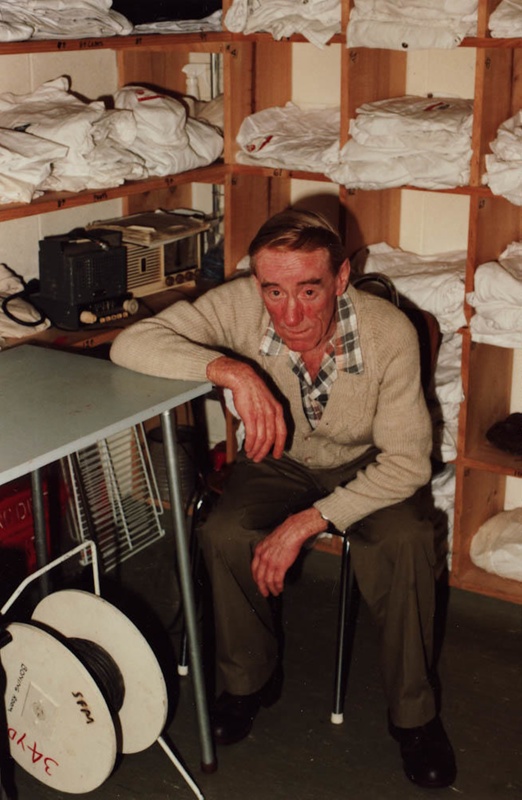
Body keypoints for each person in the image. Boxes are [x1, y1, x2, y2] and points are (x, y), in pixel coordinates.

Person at [110, 208, 456, 789]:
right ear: (258, 282)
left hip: (370, 462)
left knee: (408, 539)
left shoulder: (389, 331)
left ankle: (414, 716)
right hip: (281, 459)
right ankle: (248, 681)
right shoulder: (241, 305)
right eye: (274, 290)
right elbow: (130, 343)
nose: (290, 313)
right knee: (224, 531)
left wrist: (306, 523)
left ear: (340, 278)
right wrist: (232, 372)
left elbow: (407, 463)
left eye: (309, 290)